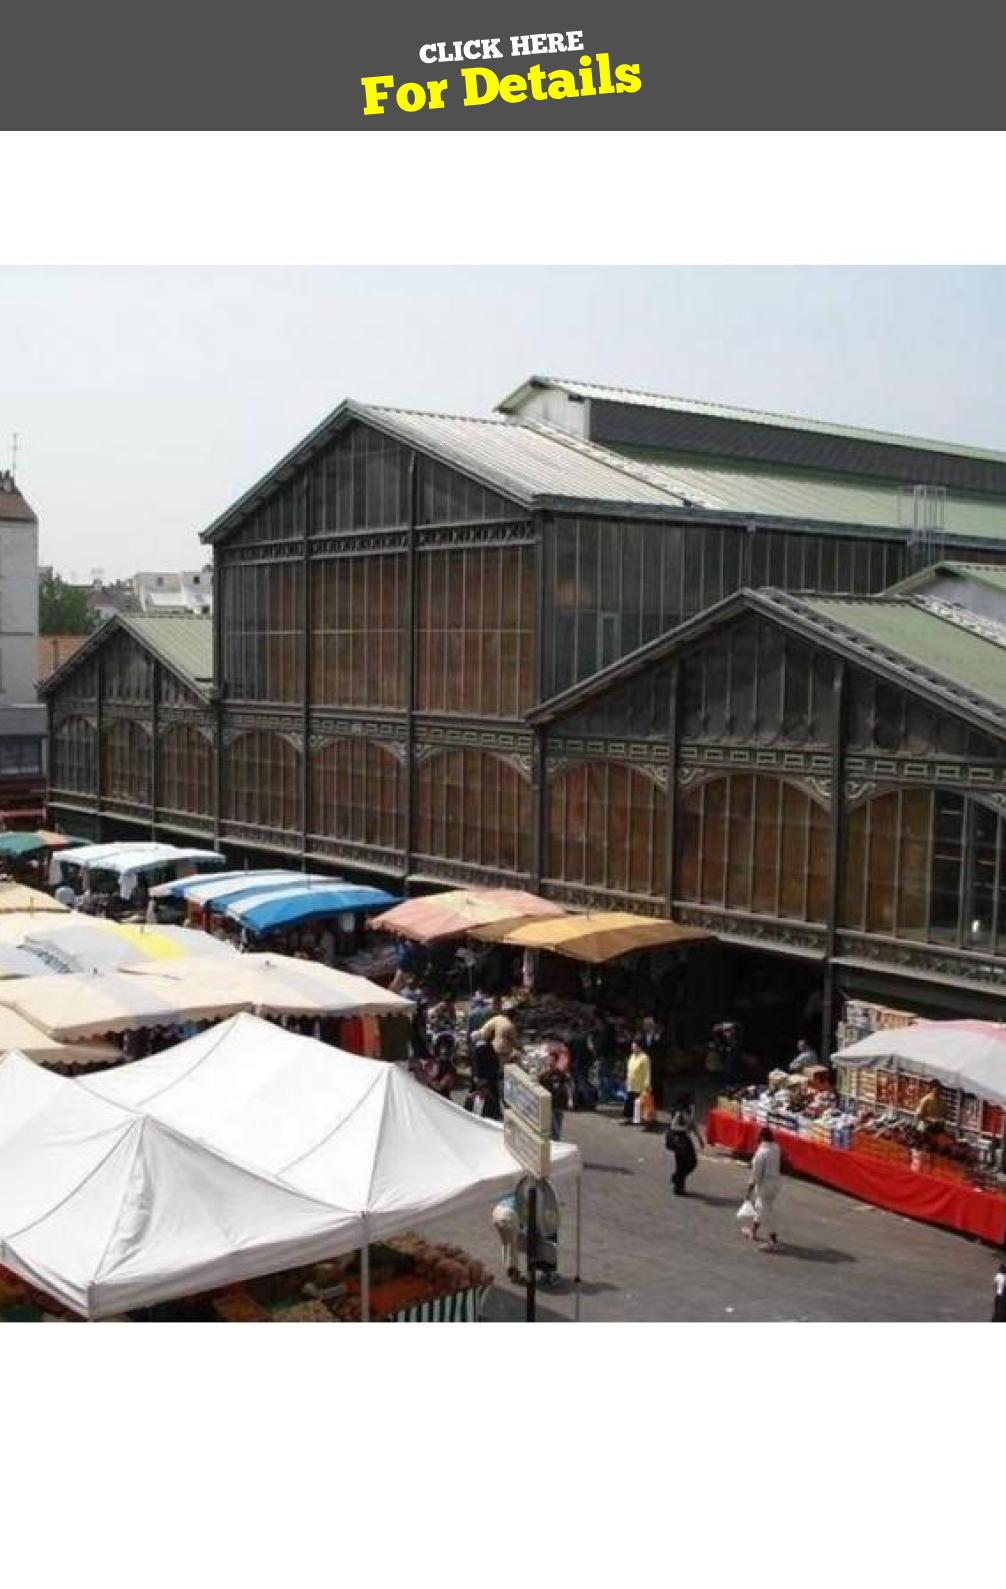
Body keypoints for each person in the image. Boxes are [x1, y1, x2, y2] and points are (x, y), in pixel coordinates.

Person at [748, 1127, 782, 1249]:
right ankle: (753, 1231)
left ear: (762, 1137)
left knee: (766, 1212)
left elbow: (756, 1175)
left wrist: (749, 1189)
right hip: (775, 1183)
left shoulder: (761, 1153)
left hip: (765, 1185)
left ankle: (773, 1241)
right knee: (761, 1207)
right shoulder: (776, 1147)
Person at [666, 1093, 704, 1196]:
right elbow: (673, 1126)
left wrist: (699, 1138)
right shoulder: (679, 1112)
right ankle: (679, 1187)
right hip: (678, 1139)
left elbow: (692, 1124)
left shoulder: (690, 1111)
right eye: (691, 1101)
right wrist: (684, 1129)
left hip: (685, 1139)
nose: (693, 1104)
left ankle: (677, 1178)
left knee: (692, 1162)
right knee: (681, 1164)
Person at [475, 995, 518, 1063]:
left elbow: (484, 1030)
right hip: (504, 1051)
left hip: (493, 1048)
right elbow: (515, 1041)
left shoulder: (498, 1018)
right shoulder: (511, 1026)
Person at [539, 1051, 570, 1141]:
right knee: (553, 1124)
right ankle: (556, 1139)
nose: (550, 1062)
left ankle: (556, 1138)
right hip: (549, 1103)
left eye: (552, 1060)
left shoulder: (559, 1073)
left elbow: (566, 1084)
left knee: (559, 1121)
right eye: (549, 1060)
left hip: (560, 1102)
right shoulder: (544, 1075)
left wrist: (570, 1099)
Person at [640, 1015, 669, 1109]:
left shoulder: (658, 1035)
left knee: (657, 1083)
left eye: (647, 1025)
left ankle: (659, 1103)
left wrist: (657, 1040)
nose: (645, 1027)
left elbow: (664, 1047)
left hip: (656, 1062)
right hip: (645, 1062)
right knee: (647, 1082)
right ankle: (647, 1101)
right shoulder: (643, 1035)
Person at [492, 1192, 521, 1283]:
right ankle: (514, 1272)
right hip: (509, 1213)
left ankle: (508, 1268)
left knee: (505, 1243)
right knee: (513, 1245)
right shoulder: (530, 1199)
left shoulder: (512, 1194)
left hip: (496, 1211)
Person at [623, 1036, 651, 1125]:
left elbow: (647, 1072)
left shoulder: (644, 1057)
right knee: (630, 1102)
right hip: (631, 1083)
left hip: (640, 1084)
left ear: (639, 1047)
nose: (632, 1048)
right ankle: (630, 1118)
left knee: (639, 1103)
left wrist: (647, 1083)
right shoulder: (632, 1056)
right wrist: (627, 1079)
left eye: (634, 1046)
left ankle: (641, 1118)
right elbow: (629, 1069)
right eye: (632, 1047)